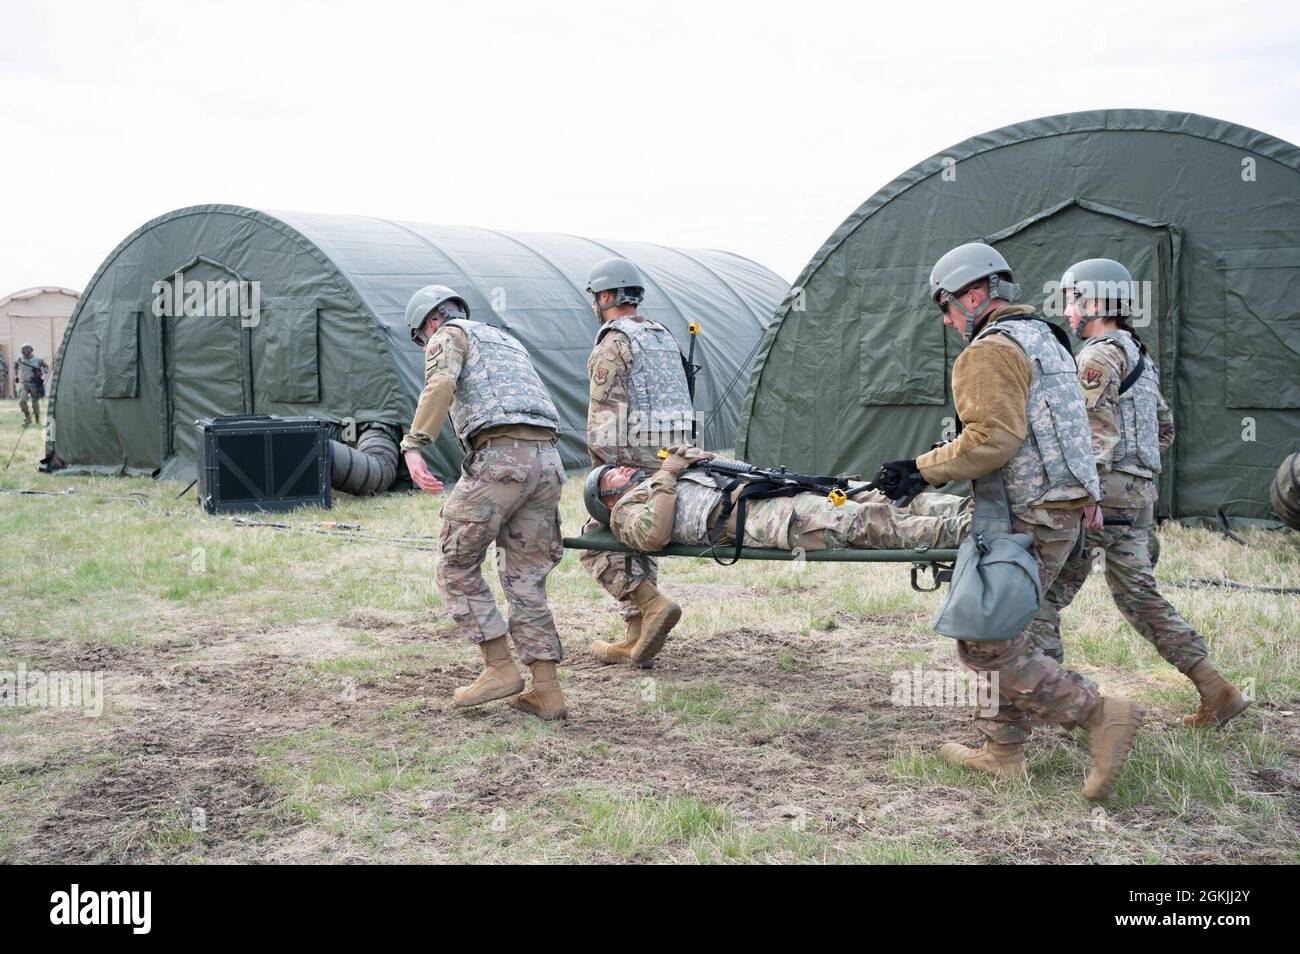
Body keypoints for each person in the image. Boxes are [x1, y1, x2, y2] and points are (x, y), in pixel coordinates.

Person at [873, 242, 1143, 800]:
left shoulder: (989, 351)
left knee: (985, 639)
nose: (948, 321)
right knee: (1008, 629)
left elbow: (992, 440)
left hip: (1024, 514)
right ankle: (1003, 752)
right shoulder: (1046, 338)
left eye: (946, 308)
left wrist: (921, 470)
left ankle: (1098, 715)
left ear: (972, 295)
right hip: (1064, 509)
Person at [1031, 258, 1249, 727]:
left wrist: (1086, 496)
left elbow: (1089, 434)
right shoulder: (1138, 356)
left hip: (1099, 500)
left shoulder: (1096, 356)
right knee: (1137, 594)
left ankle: (1060, 708)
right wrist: (1137, 477)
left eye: (1072, 301)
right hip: (1135, 496)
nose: (1069, 312)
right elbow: (1164, 428)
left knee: (1041, 596)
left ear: (1093, 302)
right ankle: (1215, 689)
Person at [400, 284, 568, 720]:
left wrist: (414, 444)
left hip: (500, 458)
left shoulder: (447, 334)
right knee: (526, 577)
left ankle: (499, 668)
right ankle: (546, 692)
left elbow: (440, 383)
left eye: (422, 340)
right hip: (548, 460)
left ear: (430, 323)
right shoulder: (505, 340)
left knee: (455, 564)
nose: (426, 346)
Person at [581, 257, 694, 668]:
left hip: (634, 465)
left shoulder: (612, 343)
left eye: (597, 296)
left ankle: (651, 606)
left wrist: (600, 478)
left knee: (595, 541)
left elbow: (604, 422)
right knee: (633, 537)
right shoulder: (664, 337)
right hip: (676, 463)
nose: (595, 304)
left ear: (607, 296)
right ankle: (635, 633)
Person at [585, 446, 969, 553]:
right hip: (762, 517)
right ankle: (968, 532)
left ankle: (972, 513)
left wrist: (700, 460)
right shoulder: (626, 512)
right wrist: (668, 475)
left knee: (878, 494)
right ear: (608, 497)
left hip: (775, 491)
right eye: (610, 475)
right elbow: (653, 537)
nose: (620, 470)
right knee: (867, 521)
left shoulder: (660, 479)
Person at [15, 344, 50, 427]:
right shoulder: (20, 360)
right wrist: (16, 375)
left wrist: (41, 373)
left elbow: (46, 368)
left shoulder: (38, 360)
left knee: (35, 403)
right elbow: (16, 367)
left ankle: (37, 419)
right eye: (23, 349)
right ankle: (27, 418)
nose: (25, 351)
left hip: (34, 384)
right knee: (22, 401)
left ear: (31, 350)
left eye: (27, 349)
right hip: (24, 384)